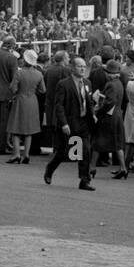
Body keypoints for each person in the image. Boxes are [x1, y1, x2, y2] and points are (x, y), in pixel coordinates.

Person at [44, 56, 93, 190]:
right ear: (72, 68)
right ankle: (50, 169)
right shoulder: (64, 84)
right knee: (64, 152)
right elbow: (59, 105)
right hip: (69, 123)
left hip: (83, 123)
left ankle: (84, 180)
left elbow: (89, 103)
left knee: (86, 150)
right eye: (79, 66)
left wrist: (92, 115)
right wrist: (64, 123)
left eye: (84, 66)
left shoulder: (87, 83)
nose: (83, 68)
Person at [6, 48, 45, 165]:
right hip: (32, 100)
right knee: (29, 130)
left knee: (16, 128)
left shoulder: (19, 72)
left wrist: (16, 92)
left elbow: (12, 88)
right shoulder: (39, 74)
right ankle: (26, 154)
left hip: (20, 100)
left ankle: (16, 153)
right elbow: (43, 90)